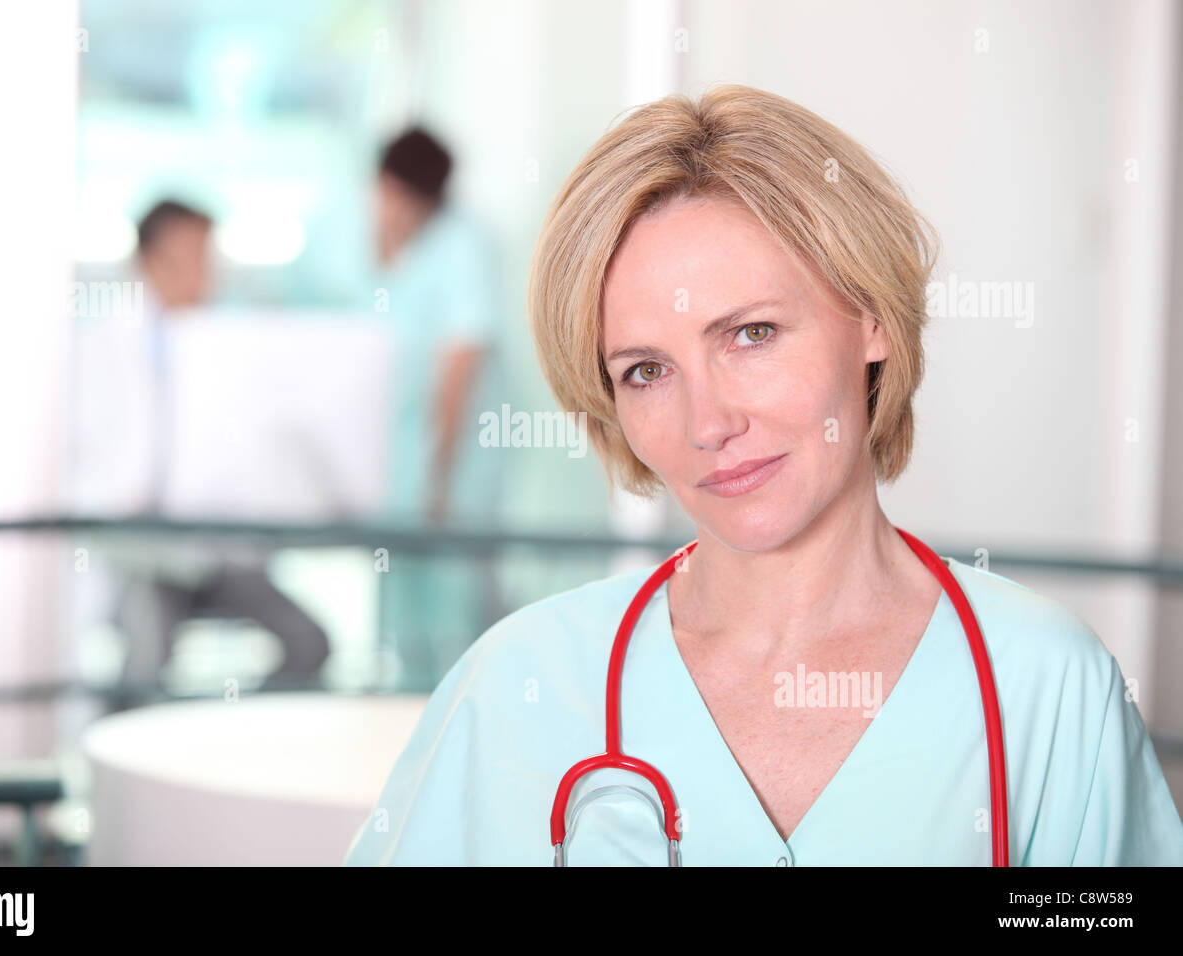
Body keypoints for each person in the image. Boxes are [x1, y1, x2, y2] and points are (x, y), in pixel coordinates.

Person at [343, 85, 1183, 865]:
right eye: (646, 371)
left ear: (874, 320)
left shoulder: (1046, 687)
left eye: (750, 334)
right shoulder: (519, 688)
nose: (708, 424)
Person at [109, 200, 331, 699]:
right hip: (146, 551)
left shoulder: (229, 346)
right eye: (183, 259)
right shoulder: (116, 345)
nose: (200, 276)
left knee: (309, 644)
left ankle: (234, 742)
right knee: (148, 657)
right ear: (146, 265)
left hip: (222, 548)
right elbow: (106, 465)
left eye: (205, 258)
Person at [365, 127, 502, 690]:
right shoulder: (393, 251)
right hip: (401, 470)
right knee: (402, 620)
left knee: (453, 623)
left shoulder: (459, 247)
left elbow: (459, 370)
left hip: (450, 468)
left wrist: (439, 477)